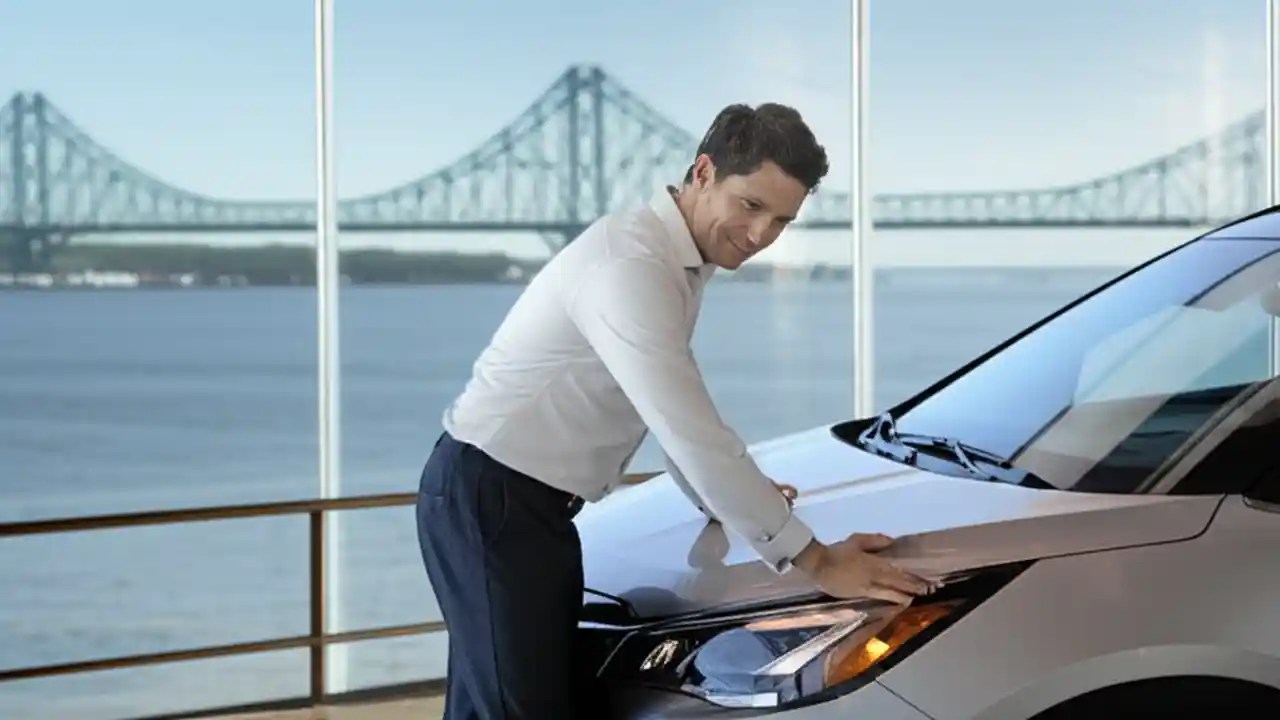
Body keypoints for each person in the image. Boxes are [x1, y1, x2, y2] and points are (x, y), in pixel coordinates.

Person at [415, 101, 934, 719]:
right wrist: (816, 560)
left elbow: (661, 410)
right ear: (704, 172)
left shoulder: (672, 261)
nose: (763, 235)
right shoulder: (630, 266)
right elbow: (688, 425)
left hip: (520, 505)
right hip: (492, 499)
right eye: (751, 206)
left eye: (782, 220)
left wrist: (721, 501)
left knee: (494, 706)